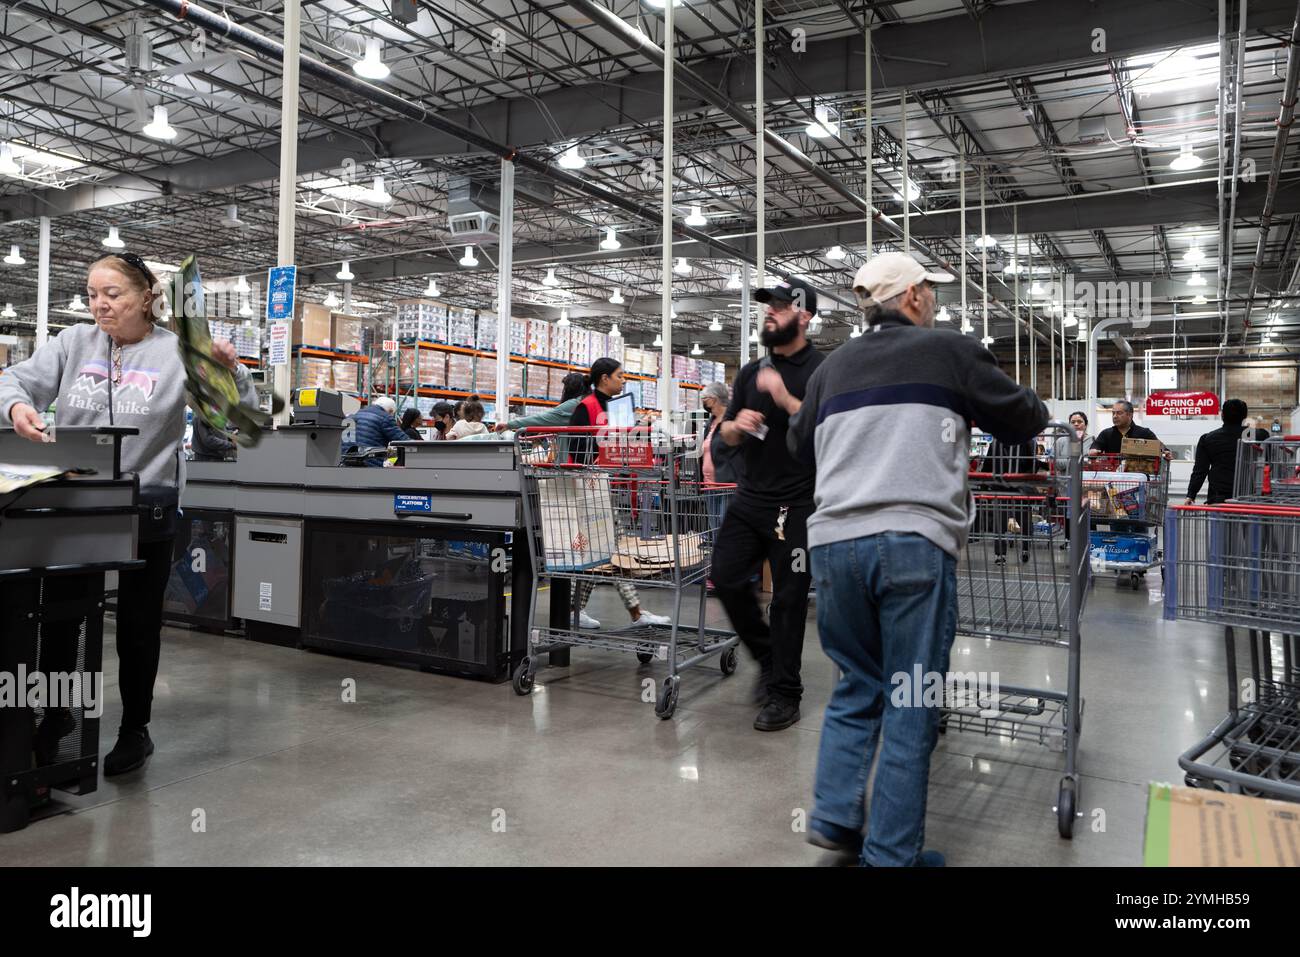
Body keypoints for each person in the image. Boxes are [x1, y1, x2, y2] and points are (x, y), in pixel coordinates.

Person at [788, 251, 1048, 866]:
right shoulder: (950, 352)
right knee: (910, 700)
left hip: (830, 545)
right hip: (911, 539)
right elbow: (1025, 419)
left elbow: (800, 449)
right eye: (929, 291)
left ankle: (832, 815)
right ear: (910, 298)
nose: (934, 301)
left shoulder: (830, 369)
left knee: (857, 683)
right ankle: (891, 857)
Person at [0, 251, 254, 776]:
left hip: (149, 506)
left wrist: (232, 372)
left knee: (139, 625)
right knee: (63, 619)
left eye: (112, 294)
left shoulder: (179, 352)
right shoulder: (73, 343)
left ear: (146, 297)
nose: (100, 304)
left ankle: (134, 730)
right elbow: (12, 381)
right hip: (75, 505)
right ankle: (58, 716)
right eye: (93, 294)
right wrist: (17, 407)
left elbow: (242, 422)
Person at [714, 277, 826, 732]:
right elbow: (725, 434)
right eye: (768, 306)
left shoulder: (823, 370)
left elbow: (831, 429)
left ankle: (785, 693)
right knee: (724, 578)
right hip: (749, 499)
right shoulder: (749, 371)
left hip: (799, 505)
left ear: (805, 315)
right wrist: (736, 425)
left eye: (780, 306)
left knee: (789, 600)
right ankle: (766, 655)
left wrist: (785, 399)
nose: (770, 312)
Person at [567, 357, 669, 628]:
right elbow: (576, 451)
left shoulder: (615, 408)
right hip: (591, 490)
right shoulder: (585, 407)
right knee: (614, 552)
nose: (623, 380)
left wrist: (638, 430)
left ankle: (574, 610)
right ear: (604, 378)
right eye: (620, 375)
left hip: (607, 488)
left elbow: (619, 445)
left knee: (598, 556)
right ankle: (636, 613)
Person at [1186, 399, 1269, 505]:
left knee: (1220, 521)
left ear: (1222, 415)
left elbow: (1200, 471)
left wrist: (1191, 495)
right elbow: (1268, 459)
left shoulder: (1208, 438)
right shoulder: (1256, 435)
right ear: (1244, 415)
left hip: (1218, 497)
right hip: (1248, 495)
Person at [497, 371, 586, 461]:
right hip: (583, 459)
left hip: (570, 462)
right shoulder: (586, 403)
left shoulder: (573, 405)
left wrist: (509, 425)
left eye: (564, 388)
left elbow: (541, 419)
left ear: (569, 389)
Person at [1089, 400, 1172, 460]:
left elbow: (1160, 447)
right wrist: (1094, 450)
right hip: (1113, 476)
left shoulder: (1144, 433)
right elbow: (1096, 445)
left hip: (1139, 476)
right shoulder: (1106, 434)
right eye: (1113, 413)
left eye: (1119, 413)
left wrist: (1165, 452)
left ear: (1129, 415)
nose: (1114, 416)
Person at [343, 394, 408, 465]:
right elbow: (403, 441)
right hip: (370, 463)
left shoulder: (354, 414)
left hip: (347, 461)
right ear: (390, 411)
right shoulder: (385, 418)